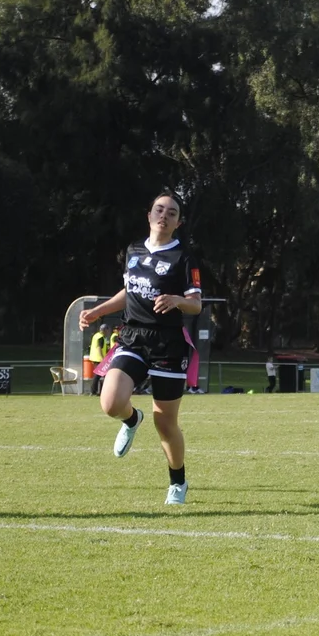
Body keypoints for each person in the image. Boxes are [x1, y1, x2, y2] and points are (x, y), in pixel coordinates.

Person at [78, 191, 203, 505]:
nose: (164, 216)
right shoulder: (133, 250)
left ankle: (178, 482)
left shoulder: (184, 257)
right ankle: (132, 419)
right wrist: (98, 311)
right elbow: (130, 290)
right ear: (149, 215)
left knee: (165, 422)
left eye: (171, 213)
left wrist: (177, 300)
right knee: (110, 403)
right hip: (133, 337)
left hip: (168, 344)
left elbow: (196, 305)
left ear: (178, 222)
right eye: (159, 210)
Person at [87, 322, 109, 396]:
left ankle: (96, 391)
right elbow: (99, 348)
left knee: (99, 375)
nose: (107, 332)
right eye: (107, 330)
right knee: (100, 375)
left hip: (94, 358)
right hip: (99, 359)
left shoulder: (96, 335)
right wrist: (103, 359)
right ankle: (95, 391)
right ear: (104, 330)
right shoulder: (101, 337)